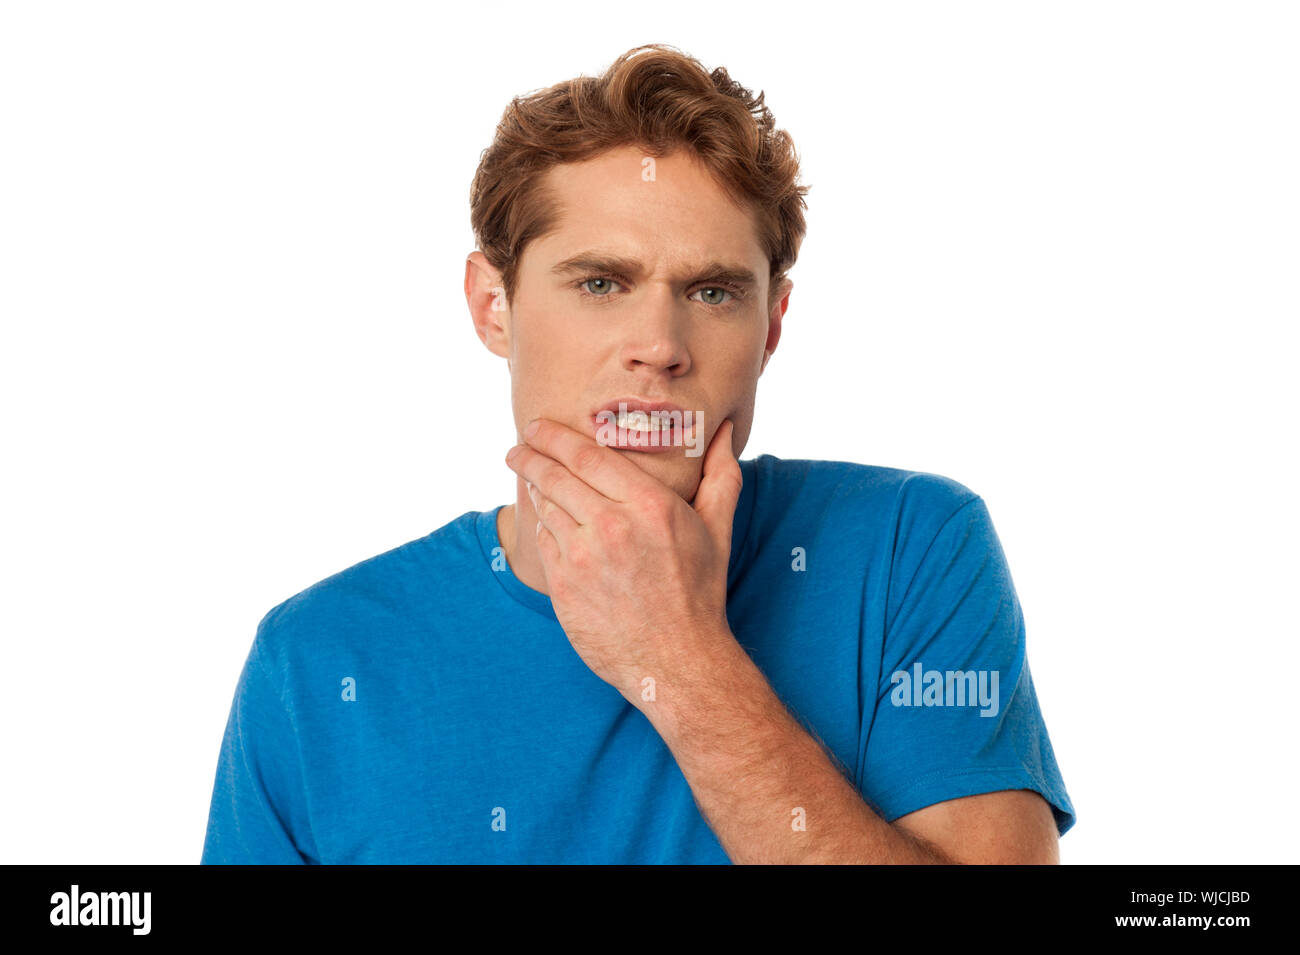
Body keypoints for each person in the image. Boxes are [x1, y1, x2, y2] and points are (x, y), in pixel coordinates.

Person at [201, 43, 1074, 864]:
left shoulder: (909, 548)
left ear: (772, 325)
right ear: (492, 306)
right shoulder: (317, 658)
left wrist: (679, 654)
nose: (659, 344)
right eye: (600, 283)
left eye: (713, 291)